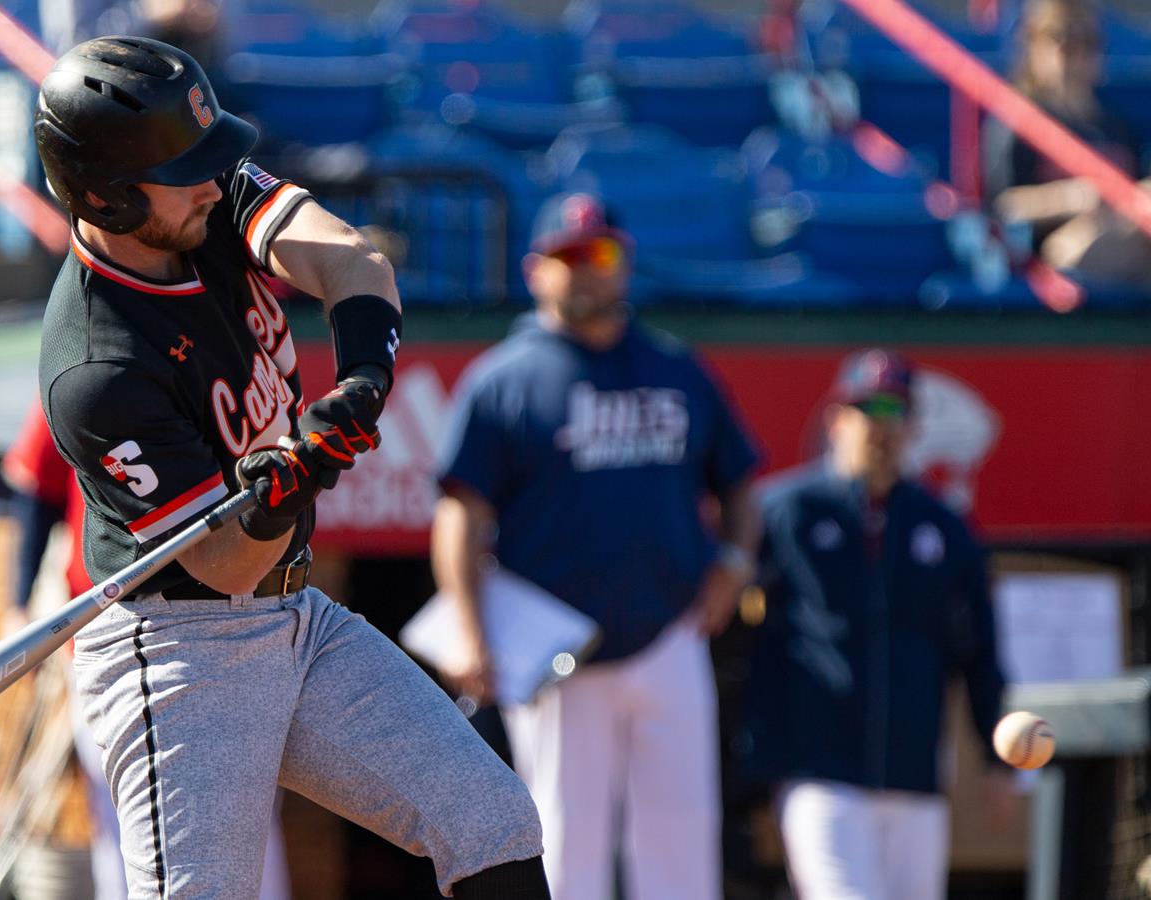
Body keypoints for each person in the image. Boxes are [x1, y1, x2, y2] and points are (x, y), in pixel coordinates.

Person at [33, 37, 549, 899]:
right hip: (177, 647)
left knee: (493, 823)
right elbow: (225, 559)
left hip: (297, 618)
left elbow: (355, 259)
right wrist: (284, 490)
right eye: (181, 168)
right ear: (107, 196)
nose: (212, 176)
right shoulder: (96, 368)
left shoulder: (206, 196)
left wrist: (360, 382)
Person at [431, 192, 763, 900]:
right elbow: (461, 515)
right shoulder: (505, 379)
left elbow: (739, 484)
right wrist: (469, 630)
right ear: (535, 271)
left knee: (681, 841)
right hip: (554, 649)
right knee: (562, 843)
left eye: (601, 254)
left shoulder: (676, 368)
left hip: (669, 634)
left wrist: (733, 565)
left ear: (625, 261)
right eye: (569, 257)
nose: (587, 271)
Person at [735, 349, 1018, 900]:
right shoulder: (785, 512)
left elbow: (978, 648)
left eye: (895, 413)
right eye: (867, 411)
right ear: (837, 419)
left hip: (913, 774)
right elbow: (726, 624)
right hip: (817, 768)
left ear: (914, 427)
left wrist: (994, 755)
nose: (880, 428)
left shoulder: (943, 527)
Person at [1, 400, 292, 900]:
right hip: (106, 634)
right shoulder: (81, 356)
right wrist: (18, 608)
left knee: (244, 810)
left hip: (226, 631)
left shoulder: (234, 348)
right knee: (120, 814)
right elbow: (39, 492)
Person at [985, 0, 1151, 285]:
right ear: (1033, 44)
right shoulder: (1019, 123)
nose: (1073, 51)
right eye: (1059, 36)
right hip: (1056, 252)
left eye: (1087, 41)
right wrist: (1071, 197)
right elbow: (1002, 208)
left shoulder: (1114, 126)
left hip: (1124, 232)